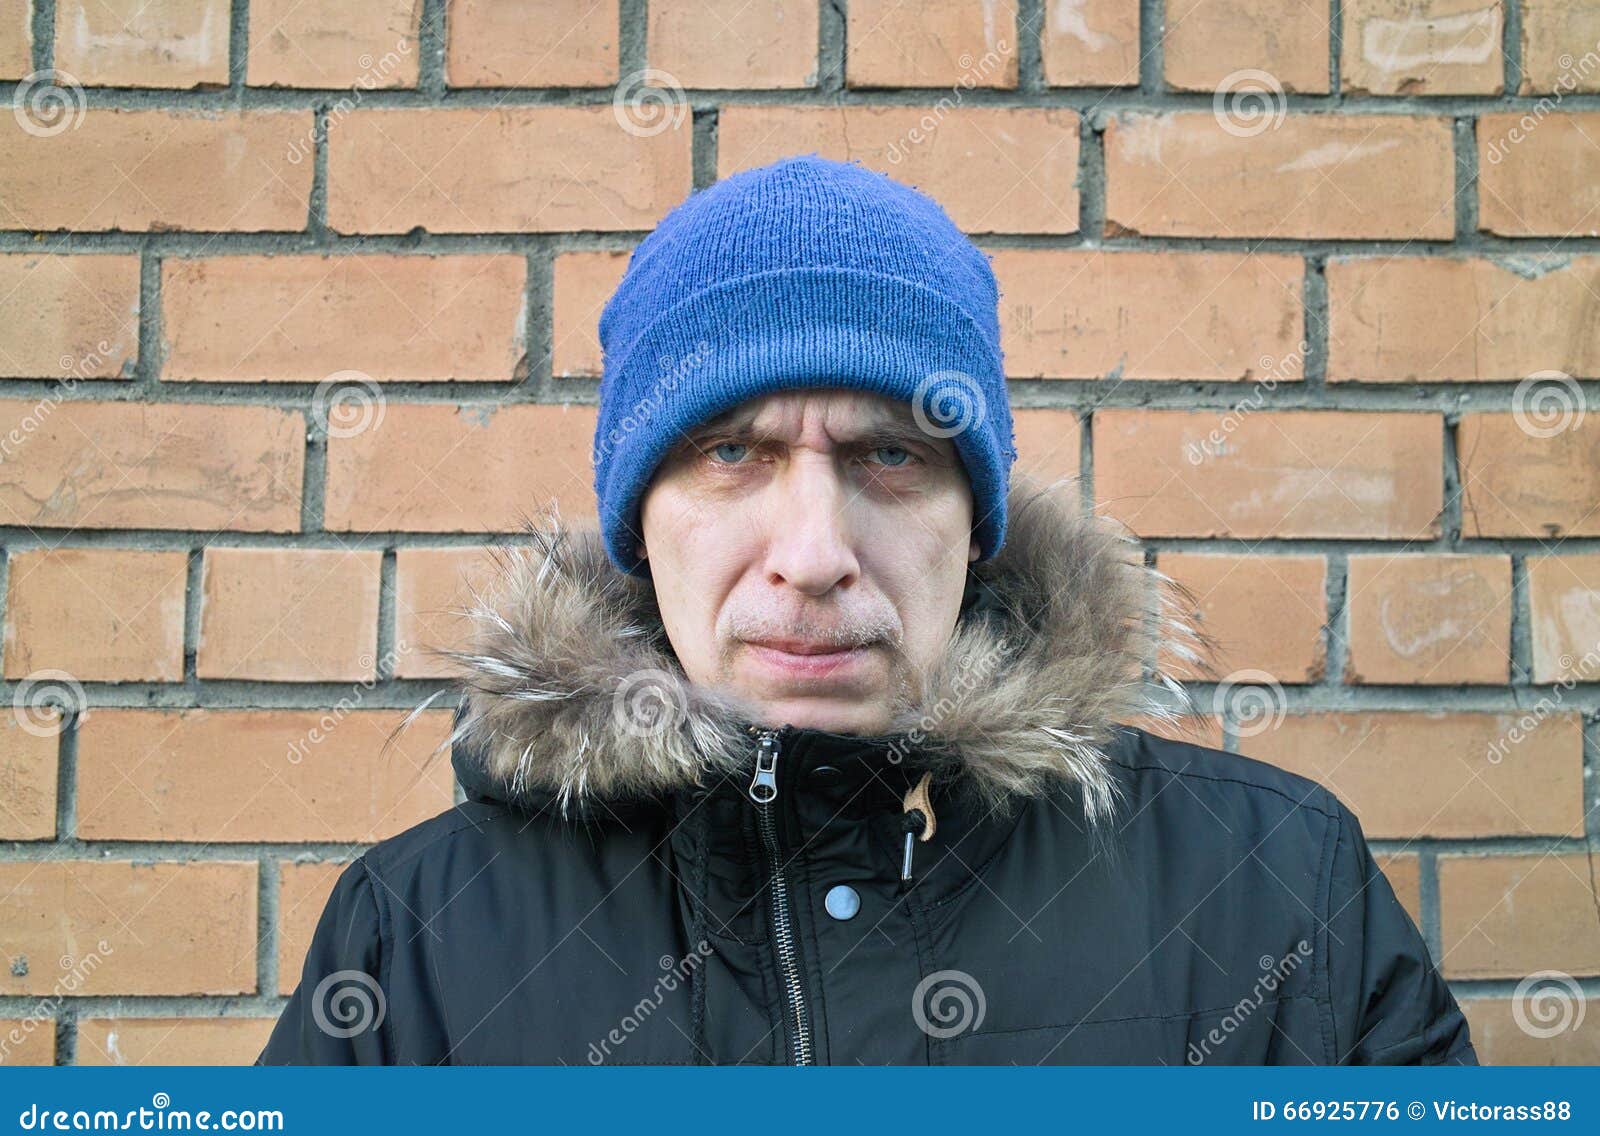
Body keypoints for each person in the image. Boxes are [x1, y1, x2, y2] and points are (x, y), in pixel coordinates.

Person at [256, 155, 1476, 1066]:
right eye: (732, 452)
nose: (815, 553)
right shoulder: (413, 940)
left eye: (889, 456)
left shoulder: (1272, 896)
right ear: (640, 522)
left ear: (974, 517)